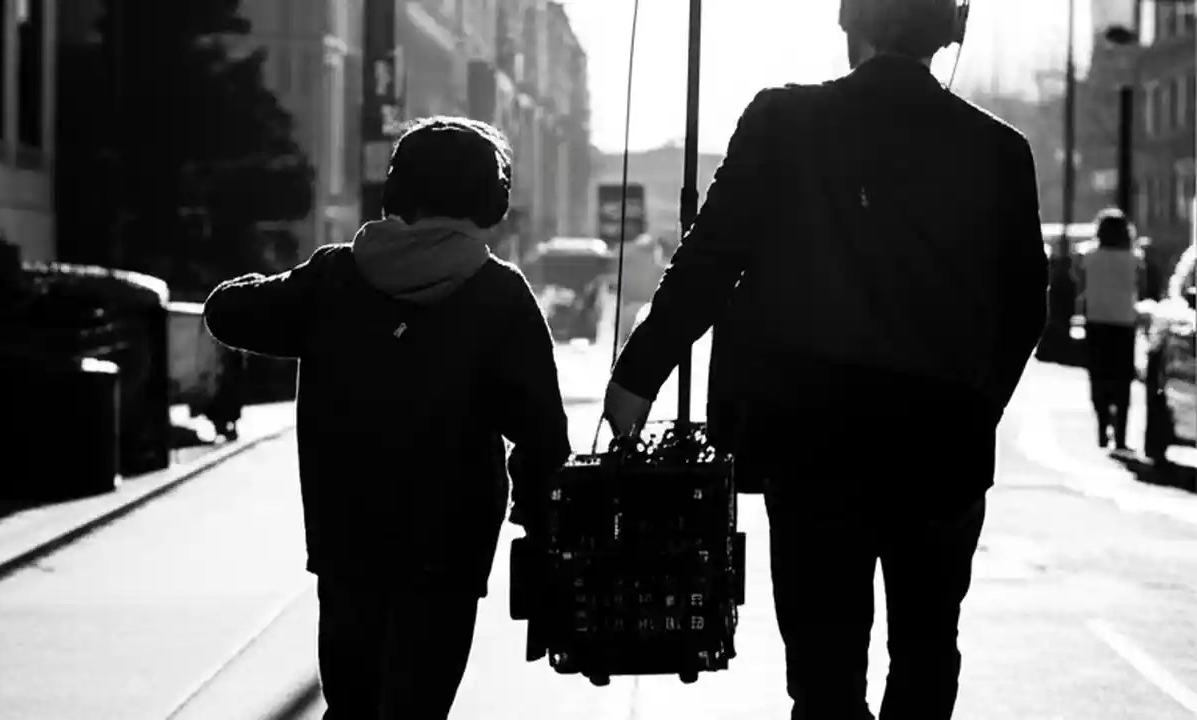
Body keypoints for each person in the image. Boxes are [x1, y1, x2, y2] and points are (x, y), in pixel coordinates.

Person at [601, 1, 1049, 718]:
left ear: (852, 25)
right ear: (948, 32)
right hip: (943, 447)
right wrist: (975, 402)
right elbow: (1027, 306)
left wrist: (636, 377)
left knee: (824, 670)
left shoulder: (783, 122)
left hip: (813, 442)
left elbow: (710, 262)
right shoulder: (1000, 150)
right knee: (928, 652)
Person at [204, 116, 571, 720]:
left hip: (347, 539)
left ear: (397, 187)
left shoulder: (333, 278)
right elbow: (541, 437)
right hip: (449, 550)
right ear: (492, 198)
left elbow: (228, 313)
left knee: (351, 702)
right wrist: (540, 520)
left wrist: (257, 281)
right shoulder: (500, 295)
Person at [1074, 209, 1142, 451]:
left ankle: (1103, 427)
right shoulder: (1134, 259)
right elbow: (1142, 288)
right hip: (1124, 323)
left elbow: (1079, 285)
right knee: (1122, 380)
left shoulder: (1089, 256)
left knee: (1098, 376)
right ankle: (1121, 435)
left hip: (1097, 321)